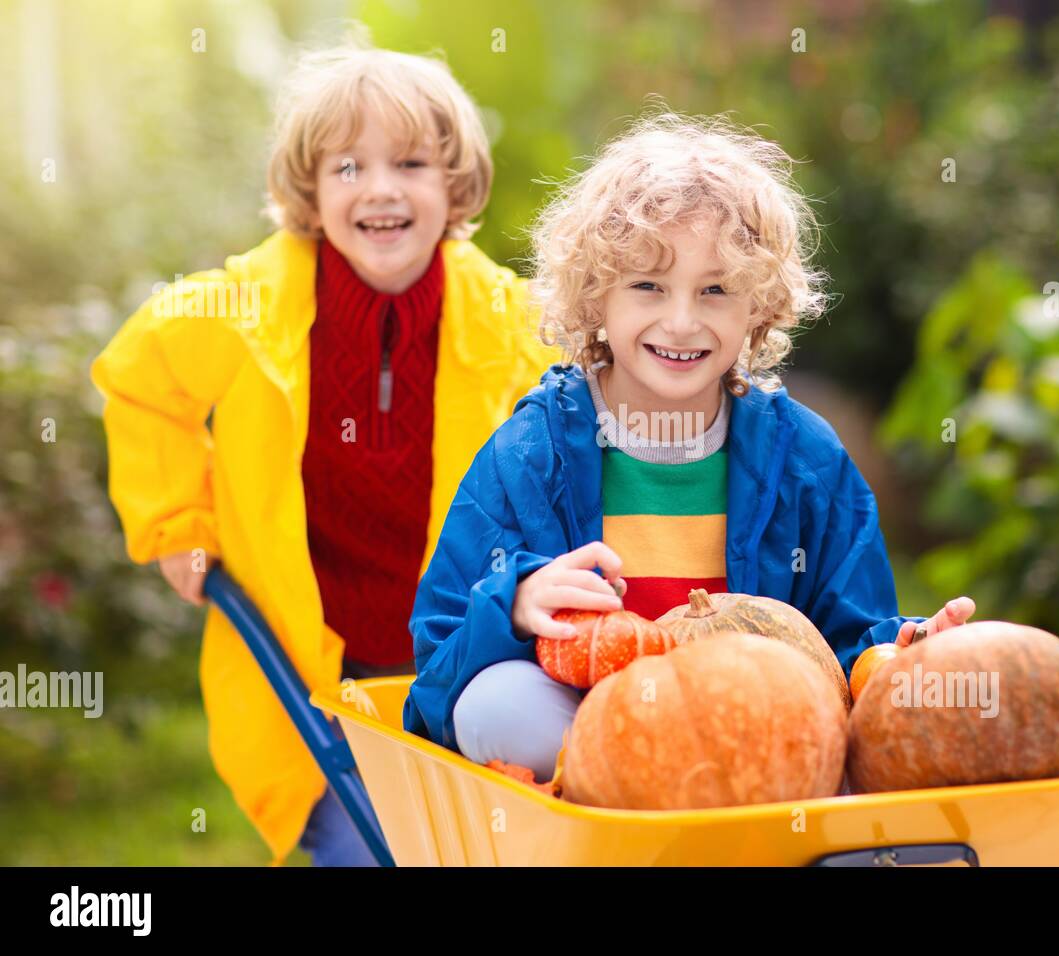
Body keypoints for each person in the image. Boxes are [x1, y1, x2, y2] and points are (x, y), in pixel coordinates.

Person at [91, 36, 556, 864]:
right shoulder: (239, 311)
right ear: (309, 189)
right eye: (348, 168)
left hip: (463, 655)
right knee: (364, 844)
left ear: (455, 186)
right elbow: (138, 382)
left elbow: (573, 449)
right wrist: (178, 524)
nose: (380, 190)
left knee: (472, 843)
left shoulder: (514, 327)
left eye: (411, 163)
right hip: (308, 664)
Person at [402, 110, 973, 781]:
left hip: (760, 734)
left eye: (715, 291)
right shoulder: (533, 453)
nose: (681, 320)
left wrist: (902, 651)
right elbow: (438, 665)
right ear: (596, 298)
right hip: (596, 736)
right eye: (648, 285)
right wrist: (515, 606)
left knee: (882, 737)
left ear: (757, 308)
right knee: (495, 707)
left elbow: (848, 644)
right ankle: (628, 816)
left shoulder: (805, 459)